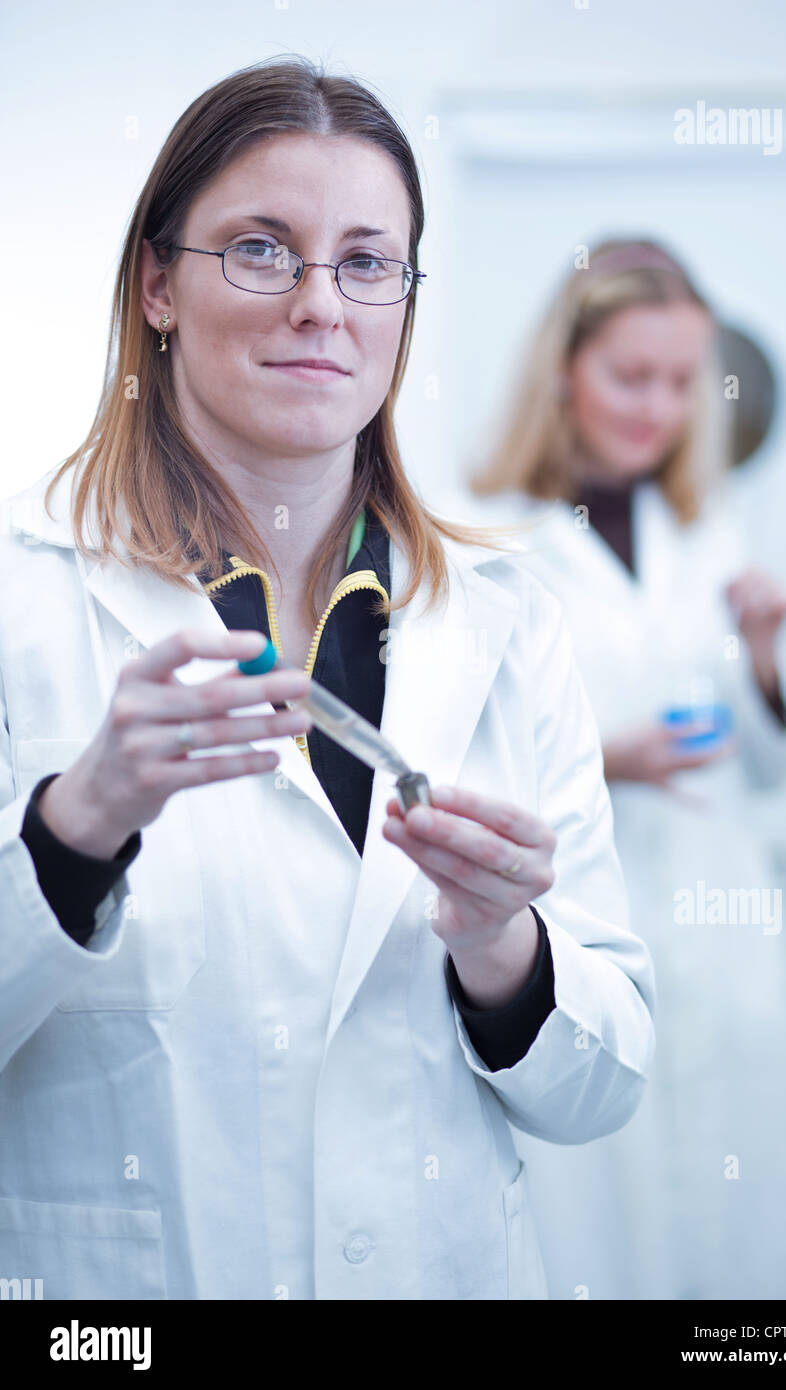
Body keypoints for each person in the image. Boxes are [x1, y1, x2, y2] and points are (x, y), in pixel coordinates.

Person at [0, 62, 655, 1301]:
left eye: (366, 261)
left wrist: (500, 947)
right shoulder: (21, 600)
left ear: (404, 299)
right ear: (155, 285)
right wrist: (73, 834)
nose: (320, 304)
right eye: (261, 248)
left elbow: (603, 1081)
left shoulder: (505, 623)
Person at [434, 239, 786, 1299]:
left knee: (736, 1232)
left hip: (718, 920)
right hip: (584, 923)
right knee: (601, 1224)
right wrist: (606, 761)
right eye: (630, 376)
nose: (658, 406)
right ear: (564, 368)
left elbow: (774, 768)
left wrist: (766, 659)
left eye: (682, 382)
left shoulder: (706, 529)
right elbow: (457, 755)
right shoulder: (486, 531)